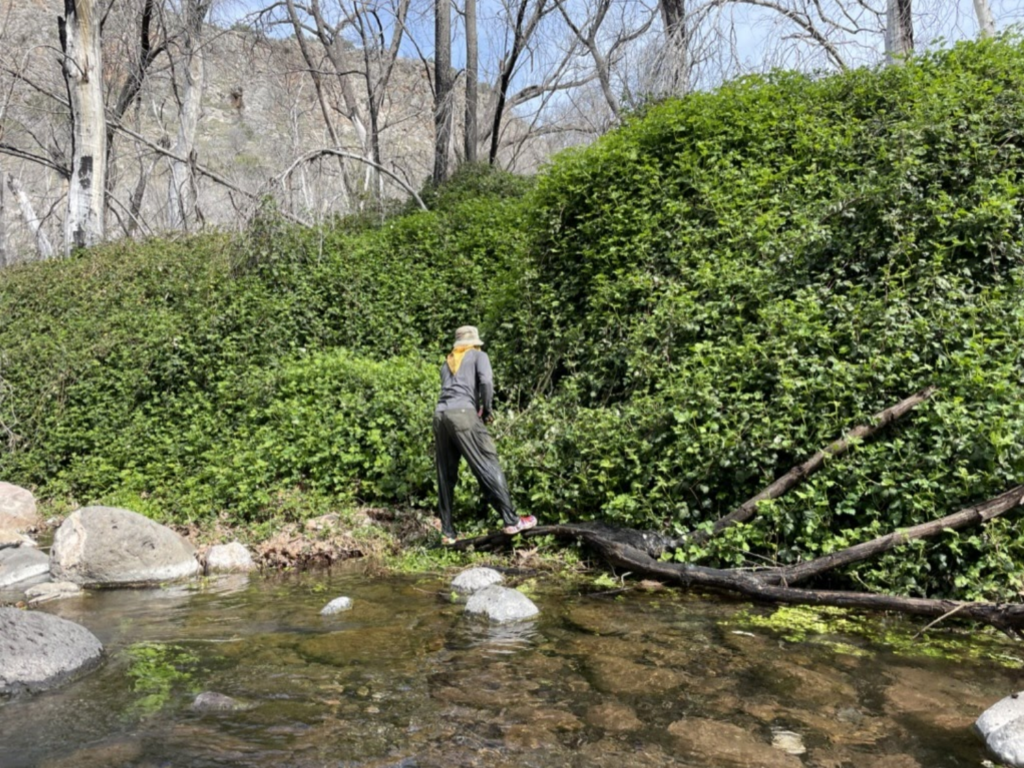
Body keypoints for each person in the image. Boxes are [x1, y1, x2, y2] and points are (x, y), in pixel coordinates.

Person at [433, 325, 537, 545]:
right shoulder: (479, 356)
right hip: (463, 414)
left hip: (440, 416)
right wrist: (486, 410)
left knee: (445, 473)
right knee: (487, 462)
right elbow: (486, 382)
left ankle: (447, 532)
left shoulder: (447, 361)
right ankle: (511, 520)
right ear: (474, 342)